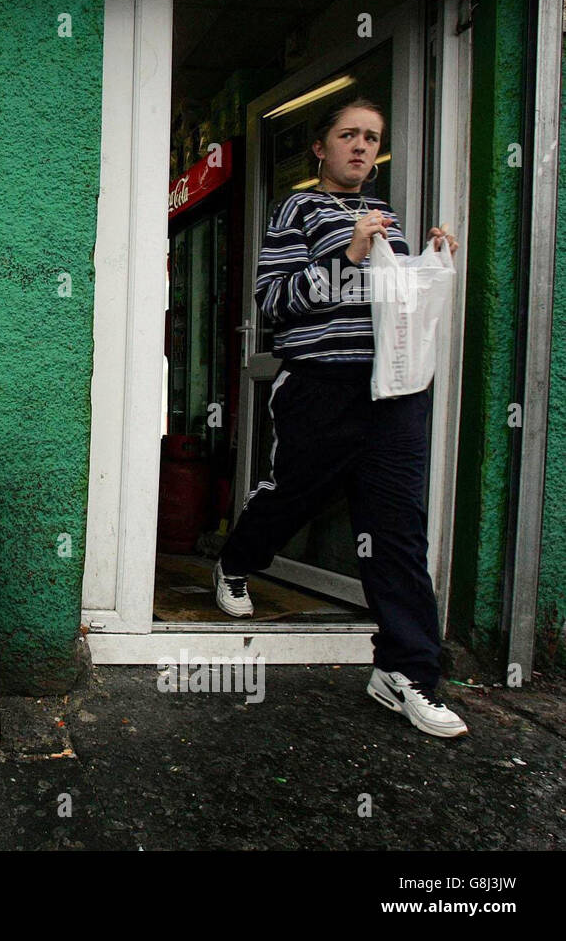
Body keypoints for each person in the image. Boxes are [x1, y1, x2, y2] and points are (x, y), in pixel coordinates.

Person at [212, 97, 467, 738]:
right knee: (294, 496)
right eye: (348, 135)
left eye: (371, 138)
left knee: (399, 530)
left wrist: (429, 264)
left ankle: (406, 673)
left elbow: (399, 309)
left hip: (392, 392)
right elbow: (274, 300)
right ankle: (237, 561)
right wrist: (346, 257)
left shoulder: (390, 222)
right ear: (320, 149)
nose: (361, 146)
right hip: (321, 388)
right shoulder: (297, 209)